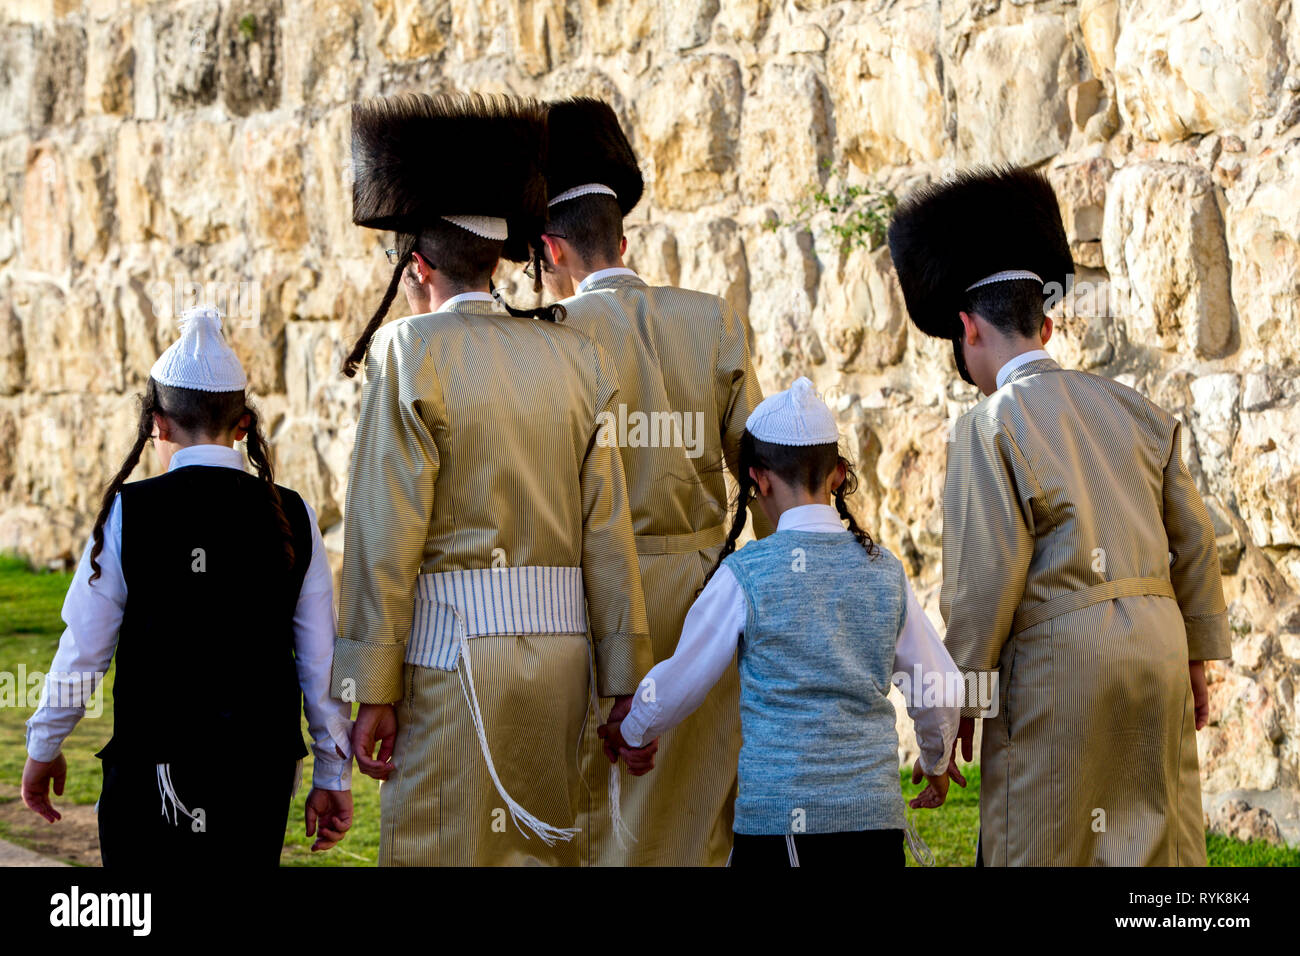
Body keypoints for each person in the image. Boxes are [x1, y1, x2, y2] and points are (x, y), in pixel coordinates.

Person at [334, 92, 651, 866]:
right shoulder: (576, 354)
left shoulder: (411, 353)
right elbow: (608, 530)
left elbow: (385, 533)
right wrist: (625, 678)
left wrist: (373, 685)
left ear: (416, 267)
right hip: (565, 665)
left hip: (452, 666)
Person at [887, 164, 1233, 865]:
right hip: (1158, 649)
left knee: (1048, 841)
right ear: (1045, 321)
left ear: (966, 328)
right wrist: (1196, 652)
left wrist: (962, 701)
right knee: (1154, 848)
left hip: (1060, 666)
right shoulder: (1138, 411)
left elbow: (984, 587)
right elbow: (1192, 540)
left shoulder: (988, 426)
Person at [518, 96, 775, 866]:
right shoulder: (712, 320)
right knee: (695, 824)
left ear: (549, 249)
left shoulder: (545, 342)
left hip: (591, 606)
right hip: (706, 605)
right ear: (622, 238)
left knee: (602, 826)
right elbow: (766, 483)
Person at [21, 305, 354, 866]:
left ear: (158, 422)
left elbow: (83, 652)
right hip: (259, 771)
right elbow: (321, 661)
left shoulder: (130, 512)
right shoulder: (293, 516)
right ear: (243, 423)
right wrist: (331, 771)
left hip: (153, 769)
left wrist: (43, 745)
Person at [599, 377, 963, 867]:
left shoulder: (746, 574)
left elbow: (682, 678)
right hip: (874, 825)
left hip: (783, 828)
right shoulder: (886, 573)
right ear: (837, 474)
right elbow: (939, 687)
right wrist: (936, 760)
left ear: (759, 480)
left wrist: (634, 729)